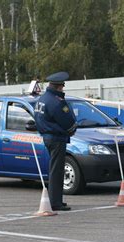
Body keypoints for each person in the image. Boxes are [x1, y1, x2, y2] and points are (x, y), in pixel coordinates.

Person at [34, 71, 77, 211]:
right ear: (59, 86)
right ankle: (55, 202)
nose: (63, 89)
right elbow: (68, 121)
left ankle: (57, 200)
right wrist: (71, 129)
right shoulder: (56, 102)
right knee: (56, 171)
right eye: (62, 87)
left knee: (55, 170)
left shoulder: (42, 99)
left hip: (47, 137)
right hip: (57, 138)